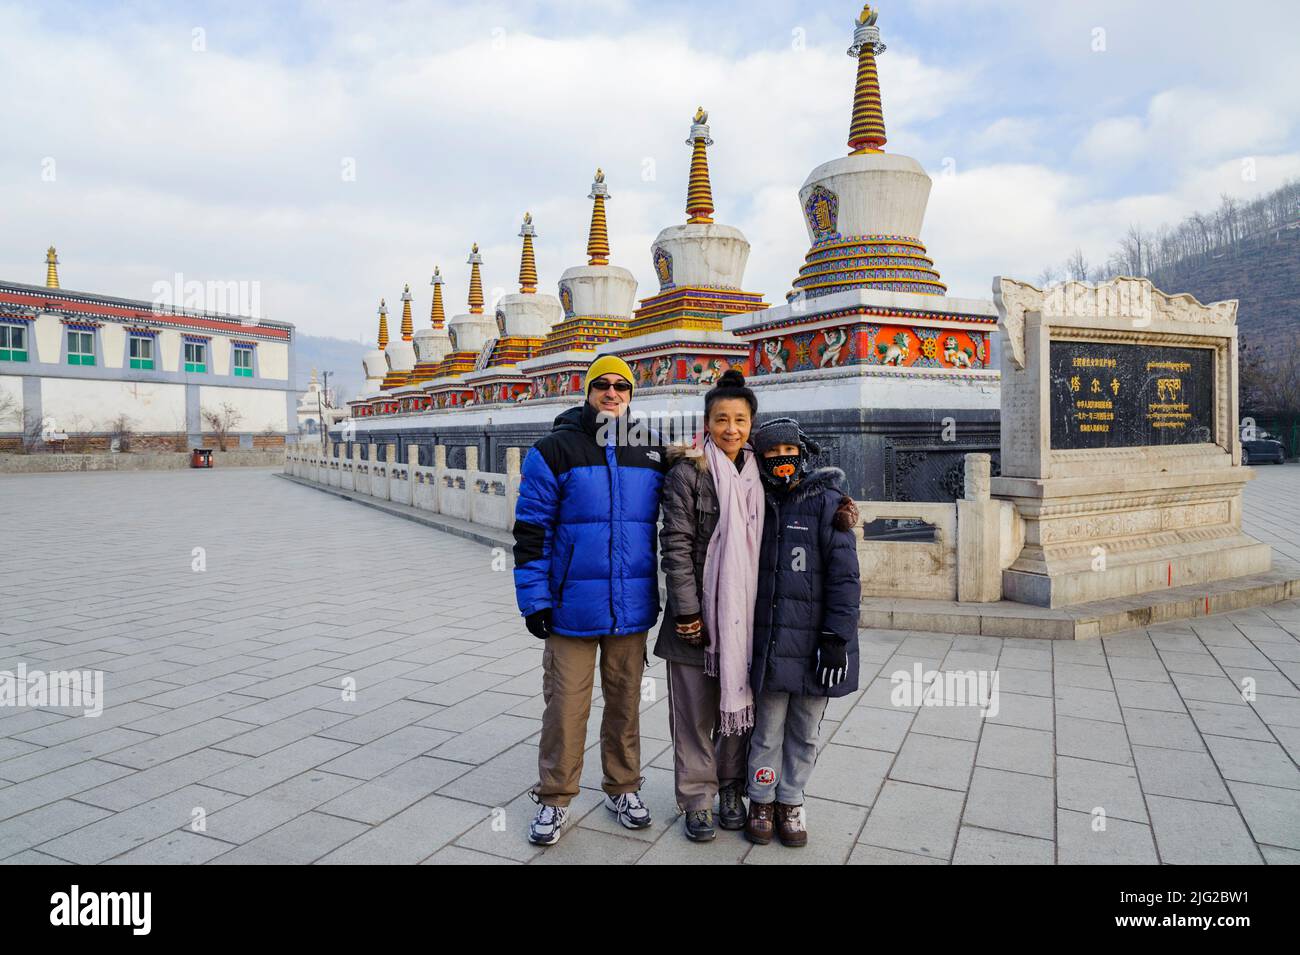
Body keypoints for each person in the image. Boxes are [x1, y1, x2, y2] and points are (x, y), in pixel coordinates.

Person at [512, 353, 667, 846]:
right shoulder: (553, 450)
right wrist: (534, 599)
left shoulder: (651, 452)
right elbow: (531, 532)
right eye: (602, 384)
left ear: (631, 394)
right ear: (587, 389)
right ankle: (555, 798)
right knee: (565, 707)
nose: (612, 392)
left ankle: (623, 787)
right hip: (569, 607)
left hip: (631, 606)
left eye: (622, 386)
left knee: (624, 707)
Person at [655, 368, 763, 842]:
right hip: (695, 620)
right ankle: (697, 799)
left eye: (740, 419)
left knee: (738, 708)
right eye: (722, 419)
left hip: (746, 617)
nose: (731, 429)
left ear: (751, 424)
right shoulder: (688, 472)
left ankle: (731, 787)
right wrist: (687, 612)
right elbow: (675, 545)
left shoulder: (763, 475)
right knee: (695, 715)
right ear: (707, 422)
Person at [744, 416, 861, 848]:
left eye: (788, 452)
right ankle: (761, 797)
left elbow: (845, 579)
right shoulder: (755, 502)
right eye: (771, 455)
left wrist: (836, 639)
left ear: (803, 453)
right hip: (771, 644)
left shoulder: (828, 502)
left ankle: (791, 800)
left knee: (806, 731)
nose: (781, 461)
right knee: (767, 728)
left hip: (816, 646)